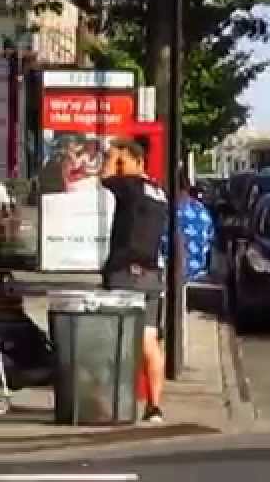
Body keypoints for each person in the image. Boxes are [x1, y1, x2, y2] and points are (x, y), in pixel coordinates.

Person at [99, 138, 168, 423]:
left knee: (115, 340)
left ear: (138, 162)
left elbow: (104, 179)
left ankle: (113, 401)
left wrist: (110, 158)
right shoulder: (159, 192)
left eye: (122, 162)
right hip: (152, 274)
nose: (119, 167)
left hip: (127, 273)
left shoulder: (129, 186)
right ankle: (154, 406)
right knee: (149, 341)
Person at [177, 172, 215, 282]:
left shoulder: (166, 210)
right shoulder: (203, 211)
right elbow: (210, 240)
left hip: (169, 276)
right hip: (197, 275)